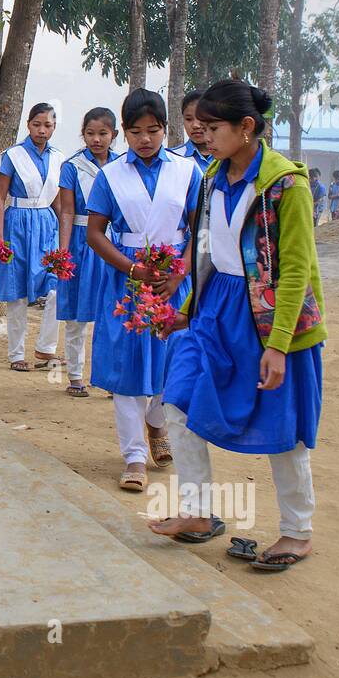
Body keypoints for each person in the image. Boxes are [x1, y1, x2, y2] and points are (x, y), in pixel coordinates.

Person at [150, 78, 325, 573]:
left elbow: (295, 271)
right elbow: (208, 248)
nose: (202, 136)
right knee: (179, 401)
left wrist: (279, 344)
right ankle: (198, 513)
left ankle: (296, 530)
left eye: (211, 127)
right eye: (199, 127)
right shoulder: (210, 177)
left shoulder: (288, 186)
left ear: (246, 128)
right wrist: (188, 308)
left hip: (270, 321)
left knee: (281, 427)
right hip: (213, 313)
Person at [86, 89, 200, 492]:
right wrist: (133, 268)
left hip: (174, 279)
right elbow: (95, 233)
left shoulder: (187, 171)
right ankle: (133, 454)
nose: (145, 139)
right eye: (135, 132)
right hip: (128, 278)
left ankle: (157, 423)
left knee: (171, 361)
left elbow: (198, 227)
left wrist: (178, 272)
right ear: (125, 135)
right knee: (128, 366)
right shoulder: (111, 175)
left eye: (153, 130)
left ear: (166, 129)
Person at [0, 102, 65, 372]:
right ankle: (16, 354)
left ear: (54, 127)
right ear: (28, 125)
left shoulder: (58, 157)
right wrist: (0, 237)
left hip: (47, 225)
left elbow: (57, 199)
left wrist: (64, 233)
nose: (42, 130)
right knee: (18, 293)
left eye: (47, 125)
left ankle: (45, 348)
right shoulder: (12, 155)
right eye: (37, 124)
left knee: (57, 288)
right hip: (17, 225)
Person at [55, 107, 120, 397]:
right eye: (90, 133)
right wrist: (64, 251)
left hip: (113, 242)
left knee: (112, 312)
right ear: (83, 134)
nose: (96, 139)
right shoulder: (72, 167)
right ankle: (76, 376)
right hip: (82, 242)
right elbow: (67, 210)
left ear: (114, 135)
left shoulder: (122, 165)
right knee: (78, 315)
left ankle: (111, 378)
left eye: (103, 133)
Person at [176, 89, 212, 172]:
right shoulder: (173, 157)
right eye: (189, 119)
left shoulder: (230, 157)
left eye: (201, 118)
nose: (195, 125)